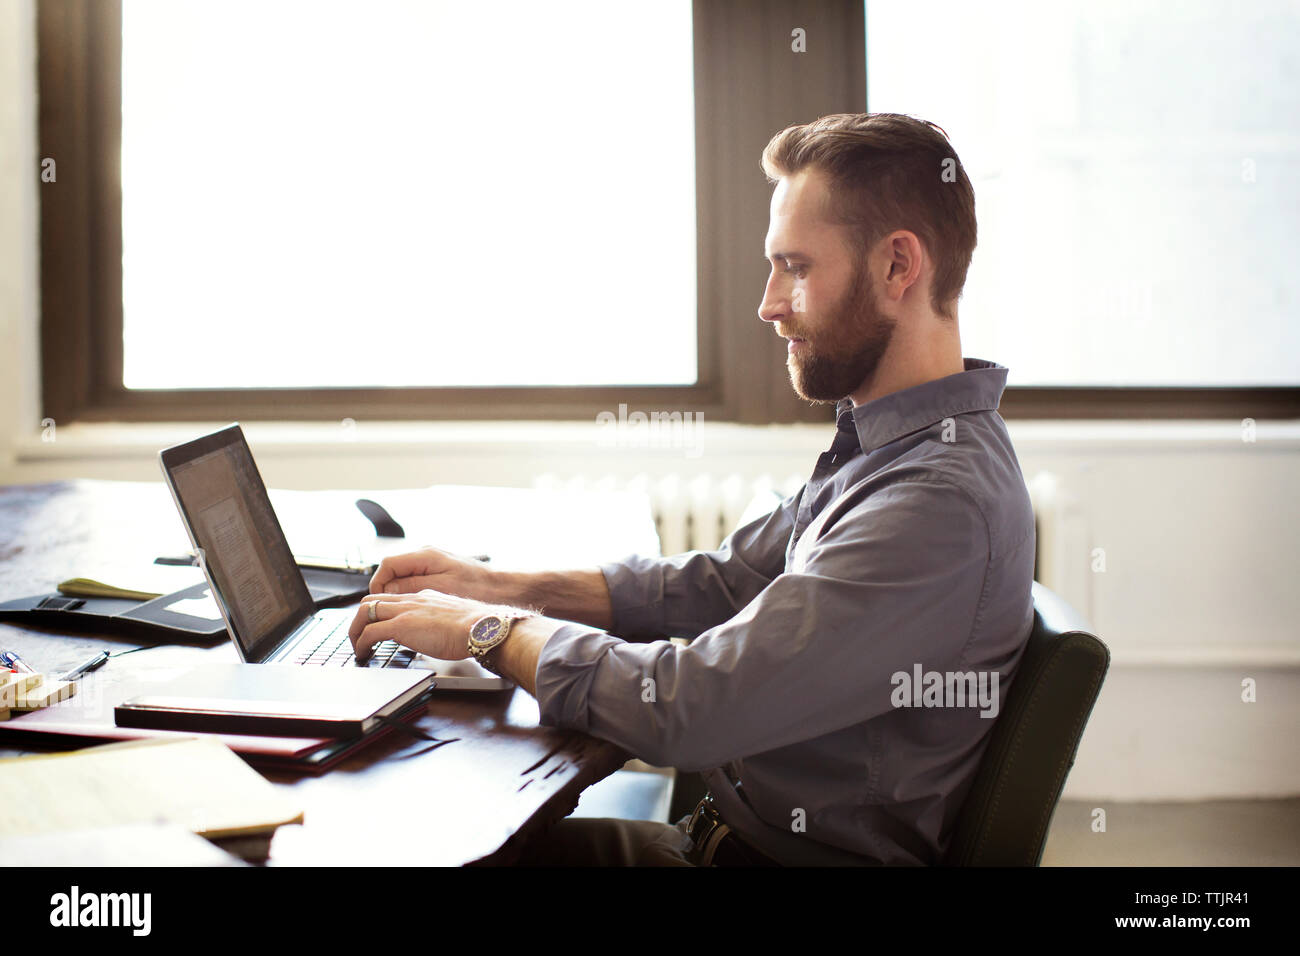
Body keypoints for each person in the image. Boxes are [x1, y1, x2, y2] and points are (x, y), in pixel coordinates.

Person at [347, 113, 1036, 866]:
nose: (770, 304)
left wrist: (490, 631)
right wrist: (494, 585)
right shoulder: (888, 444)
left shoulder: (933, 505)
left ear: (898, 267)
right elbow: (722, 581)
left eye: (796, 267)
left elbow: (686, 708)